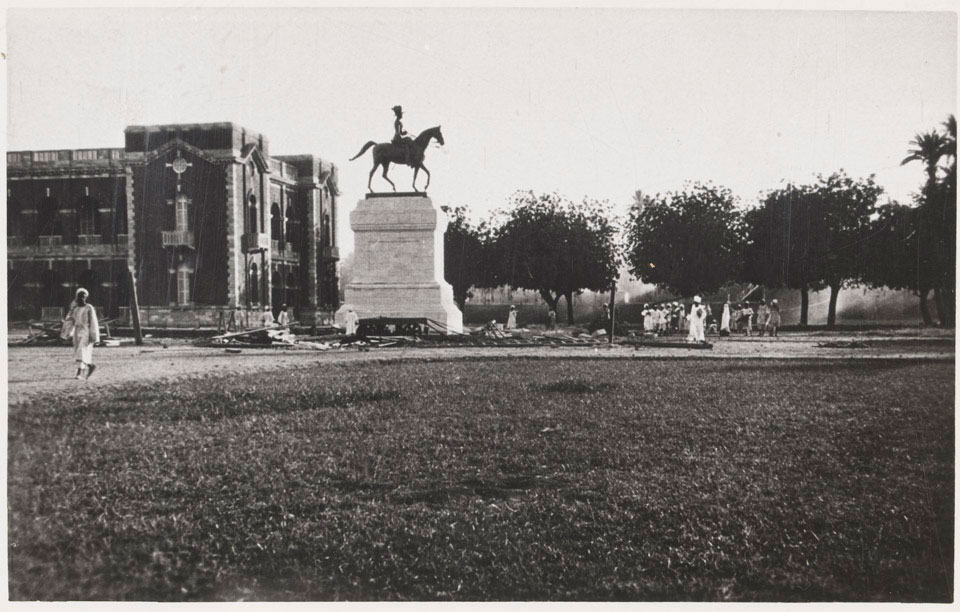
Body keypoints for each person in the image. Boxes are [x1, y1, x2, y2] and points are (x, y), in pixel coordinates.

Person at [61, 287, 100, 380]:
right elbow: (69, 320)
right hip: (77, 332)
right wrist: (67, 333)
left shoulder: (89, 307)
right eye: (79, 296)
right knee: (78, 351)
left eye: (83, 296)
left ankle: (79, 372)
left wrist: (94, 335)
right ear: (76, 297)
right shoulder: (75, 309)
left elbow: (93, 321)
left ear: (86, 298)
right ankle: (90, 366)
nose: (81, 298)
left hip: (86, 331)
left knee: (81, 351)